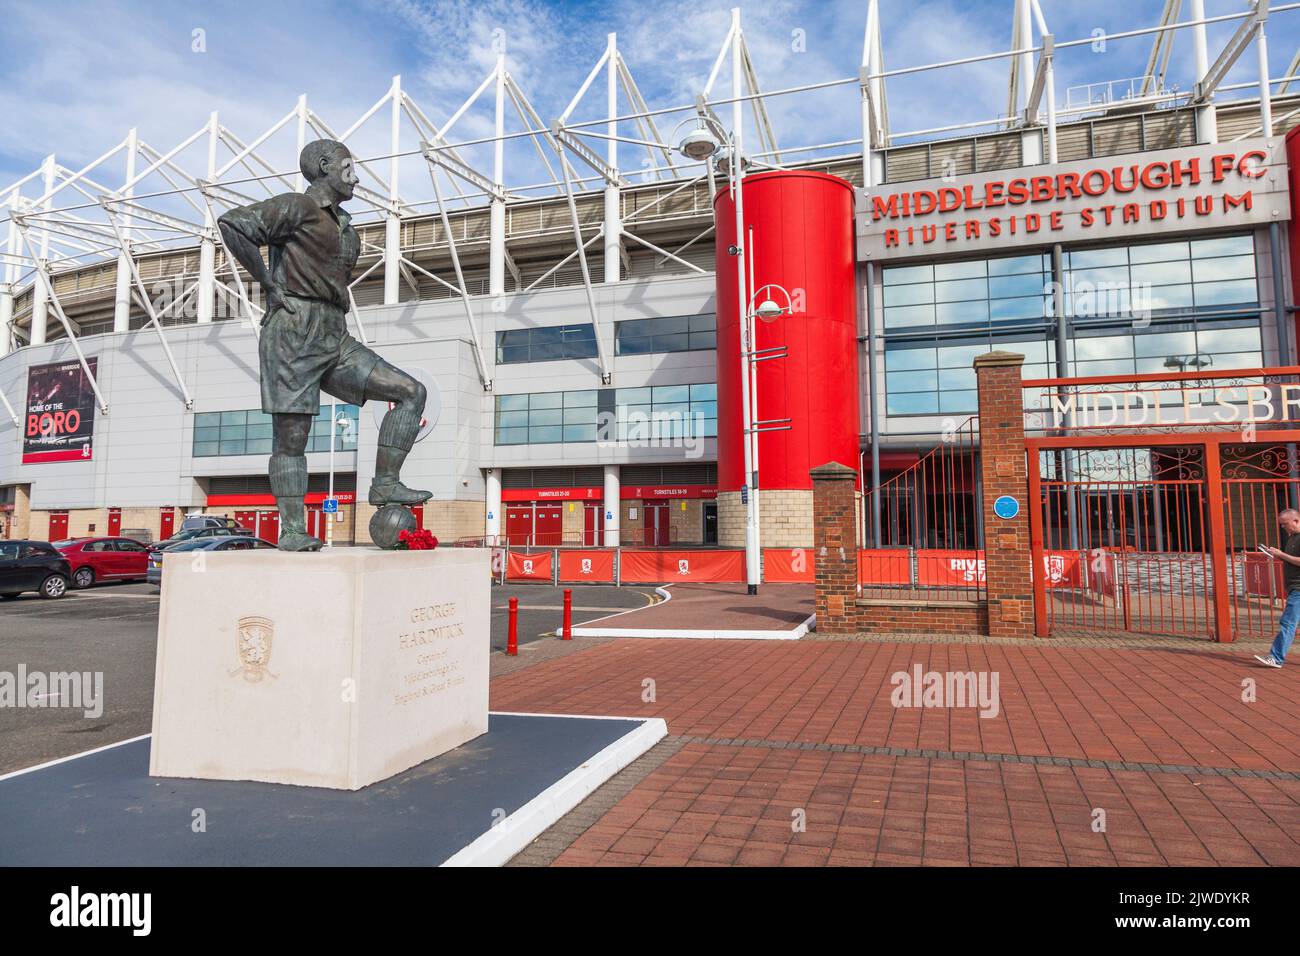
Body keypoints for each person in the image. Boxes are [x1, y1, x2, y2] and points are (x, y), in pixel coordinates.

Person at [218, 139, 431, 552]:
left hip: (335, 332)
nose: (355, 176)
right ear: (323, 166)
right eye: (348, 167)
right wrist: (267, 283)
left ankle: (385, 482)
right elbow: (233, 224)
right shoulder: (297, 207)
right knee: (292, 437)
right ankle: (293, 529)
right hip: (294, 330)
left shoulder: (347, 228)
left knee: (410, 392)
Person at [1255, 507, 1300, 668]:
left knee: (1288, 623)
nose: (1283, 527)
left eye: (1285, 524)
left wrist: (1282, 555)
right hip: (1294, 588)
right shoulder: (1292, 538)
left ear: (1296, 520)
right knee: (1290, 622)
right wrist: (1276, 554)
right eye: (1281, 525)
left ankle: (1276, 658)